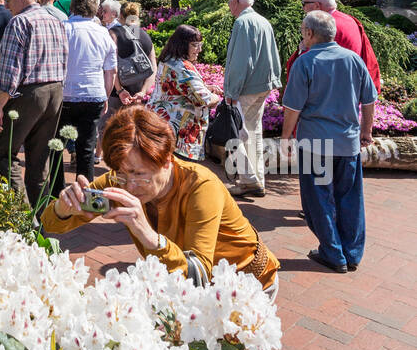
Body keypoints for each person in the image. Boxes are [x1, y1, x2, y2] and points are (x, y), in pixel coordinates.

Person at [41, 106, 280, 293]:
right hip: (189, 284)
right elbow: (50, 225)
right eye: (121, 173)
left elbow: (199, 275)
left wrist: (149, 236)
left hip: (250, 282)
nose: (130, 186)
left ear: (166, 160)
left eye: (139, 174)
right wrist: (64, 208)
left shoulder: (200, 186)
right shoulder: (120, 181)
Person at [281, 10, 376, 273]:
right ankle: (352, 253)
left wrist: (286, 137)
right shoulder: (354, 60)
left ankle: (333, 253)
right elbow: (369, 101)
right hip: (347, 145)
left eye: (303, 32)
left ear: (309, 33)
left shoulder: (305, 62)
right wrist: (366, 132)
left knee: (319, 199)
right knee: (349, 198)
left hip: (317, 145)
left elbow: (293, 108)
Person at [0, 0, 69, 210]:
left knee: (4, 153)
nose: (5, 5)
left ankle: (21, 214)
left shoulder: (20, 22)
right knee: (39, 159)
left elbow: (9, 68)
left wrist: (0, 106)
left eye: (8, 0)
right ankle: (40, 216)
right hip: (55, 91)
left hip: (29, 93)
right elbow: (65, 59)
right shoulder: (55, 19)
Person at [223, 0, 281, 198]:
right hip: (262, 86)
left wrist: (231, 91)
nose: (229, 6)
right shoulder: (263, 21)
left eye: (230, 2)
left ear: (237, 2)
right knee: (253, 133)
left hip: (246, 88)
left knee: (237, 132)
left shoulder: (242, 23)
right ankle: (257, 179)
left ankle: (249, 181)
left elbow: (241, 62)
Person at [61, 0, 117, 183]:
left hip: (65, 94)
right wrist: (106, 96)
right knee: (87, 147)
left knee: (56, 146)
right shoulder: (103, 33)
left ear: (73, 7)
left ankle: (55, 192)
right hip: (93, 94)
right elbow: (111, 71)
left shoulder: (63, 28)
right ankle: (86, 194)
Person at [283, 0, 381, 90]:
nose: (303, 8)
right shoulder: (349, 19)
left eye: (304, 4)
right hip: (349, 86)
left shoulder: (324, 26)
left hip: (330, 92)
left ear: (316, 5)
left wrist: (302, 49)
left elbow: (308, 65)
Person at [149, 24, 221, 161]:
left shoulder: (168, 60)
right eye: (195, 45)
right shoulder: (183, 67)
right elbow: (203, 99)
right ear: (182, 44)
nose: (199, 49)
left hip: (162, 123)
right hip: (178, 132)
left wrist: (205, 86)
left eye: (200, 44)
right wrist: (216, 97)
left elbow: (181, 88)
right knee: (179, 176)